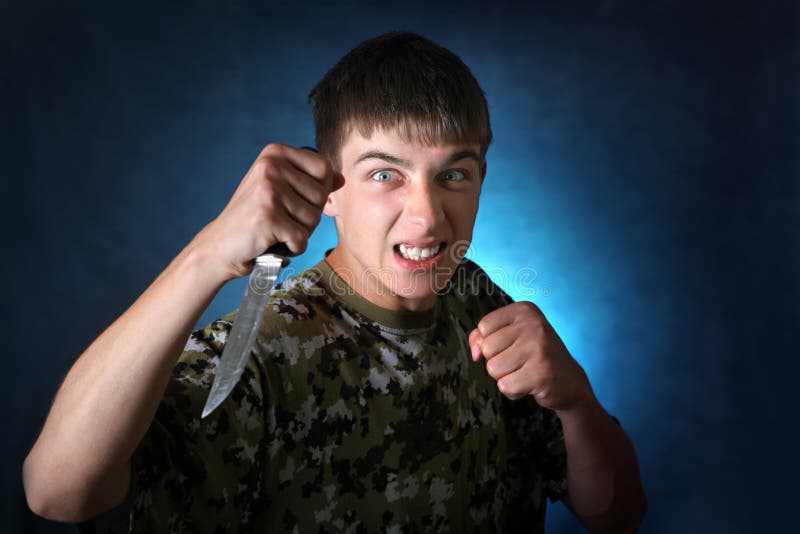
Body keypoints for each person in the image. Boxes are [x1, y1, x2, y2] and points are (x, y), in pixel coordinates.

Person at [23, 32, 646, 532]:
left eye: (453, 175)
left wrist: (576, 403)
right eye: (384, 175)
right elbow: (57, 493)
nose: (427, 217)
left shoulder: (478, 301)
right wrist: (206, 254)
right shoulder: (263, 351)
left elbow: (616, 514)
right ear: (330, 190)